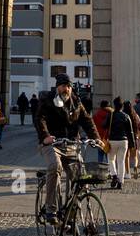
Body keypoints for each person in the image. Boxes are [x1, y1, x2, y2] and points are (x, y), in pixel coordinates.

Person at [33, 74, 101, 223]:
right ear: (58, 86)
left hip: (70, 145)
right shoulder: (48, 100)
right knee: (55, 166)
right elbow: (40, 118)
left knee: (80, 177)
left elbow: (87, 120)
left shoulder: (76, 102)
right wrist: (45, 136)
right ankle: (51, 209)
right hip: (52, 143)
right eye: (63, 86)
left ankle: (70, 215)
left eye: (69, 86)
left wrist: (96, 138)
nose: (67, 89)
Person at [107, 98, 135, 190]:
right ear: (122, 106)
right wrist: (132, 144)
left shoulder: (111, 115)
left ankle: (114, 175)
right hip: (124, 141)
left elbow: (104, 125)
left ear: (114, 105)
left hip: (112, 140)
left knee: (111, 159)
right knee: (121, 161)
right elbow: (130, 132)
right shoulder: (126, 116)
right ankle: (121, 181)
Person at [92, 99, 112, 164]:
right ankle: (109, 170)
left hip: (99, 137)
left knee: (100, 154)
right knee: (108, 155)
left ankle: (99, 169)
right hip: (108, 137)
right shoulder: (111, 114)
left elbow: (93, 127)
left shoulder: (96, 115)